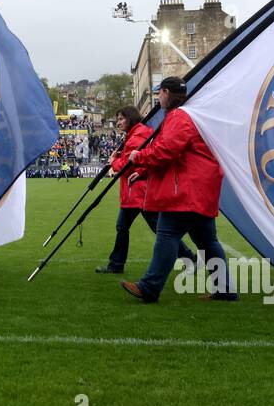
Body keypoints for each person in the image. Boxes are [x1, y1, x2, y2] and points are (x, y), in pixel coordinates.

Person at [120, 76, 235, 303]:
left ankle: (150, 287)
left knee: (167, 234)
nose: (157, 98)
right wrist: (143, 171)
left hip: (186, 189)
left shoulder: (179, 117)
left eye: (159, 94)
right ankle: (225, 290)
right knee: (207, 242)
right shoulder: (187, 115)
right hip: (199, 187)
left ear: (165, 93)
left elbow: (167, 150)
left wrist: (139, 157)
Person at [96, 105, 195, 274]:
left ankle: (116, 265)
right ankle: (188, 257)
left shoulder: (136, 137)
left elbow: (128, 167)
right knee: (148, 228)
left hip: (137, 192)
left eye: (121, 119)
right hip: (137, 192)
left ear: (130, 118)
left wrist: (113, 161)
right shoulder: (136, 134)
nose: (118, 122)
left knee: (144, 228)